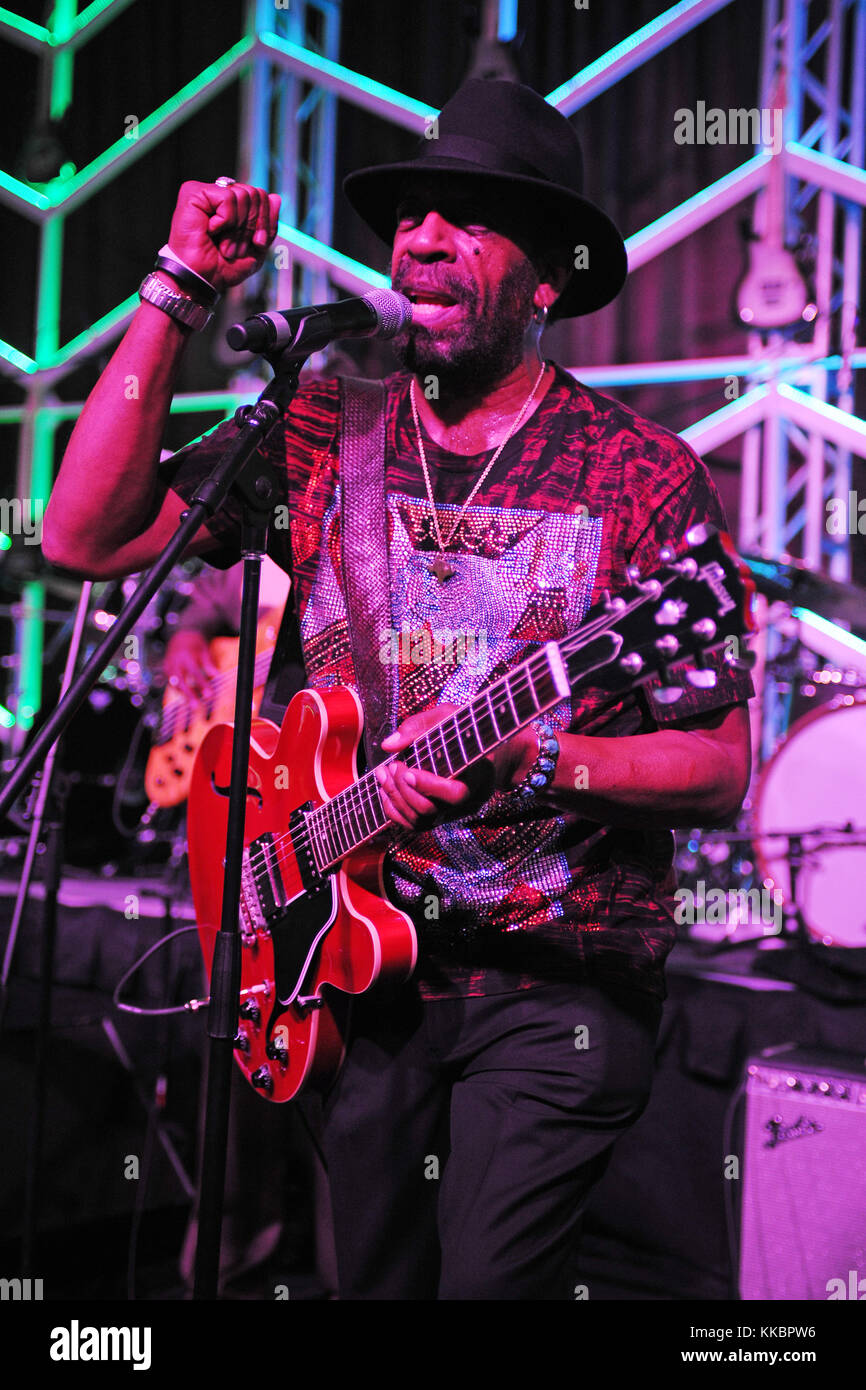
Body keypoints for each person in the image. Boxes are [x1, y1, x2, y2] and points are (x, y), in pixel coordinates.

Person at [44, 79, 752, 1300]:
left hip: (553, 989)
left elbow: (718, 764)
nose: (421, 237)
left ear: (546, 278)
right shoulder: (321, 423)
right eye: (410, 213)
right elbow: (83, 535)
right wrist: (176, 287)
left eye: (468, 216)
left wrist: (532, 761)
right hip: (340, 960)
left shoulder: (642, 476)